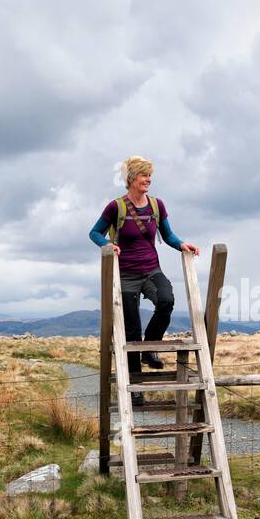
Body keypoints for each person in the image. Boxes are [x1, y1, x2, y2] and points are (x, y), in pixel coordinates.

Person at [89, 156, 200, 405]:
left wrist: (182, 244)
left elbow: (168, 235)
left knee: (166, 300)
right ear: (131, 179)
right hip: (126, 274)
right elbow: (94, 233)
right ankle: (135, 388)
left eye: (150, 175)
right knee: (131, 332)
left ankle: (150, 348)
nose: (148, 179)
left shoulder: (156, 205)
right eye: (143, 175)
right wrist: (108, 244)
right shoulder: (115, 207)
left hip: (151, 269)